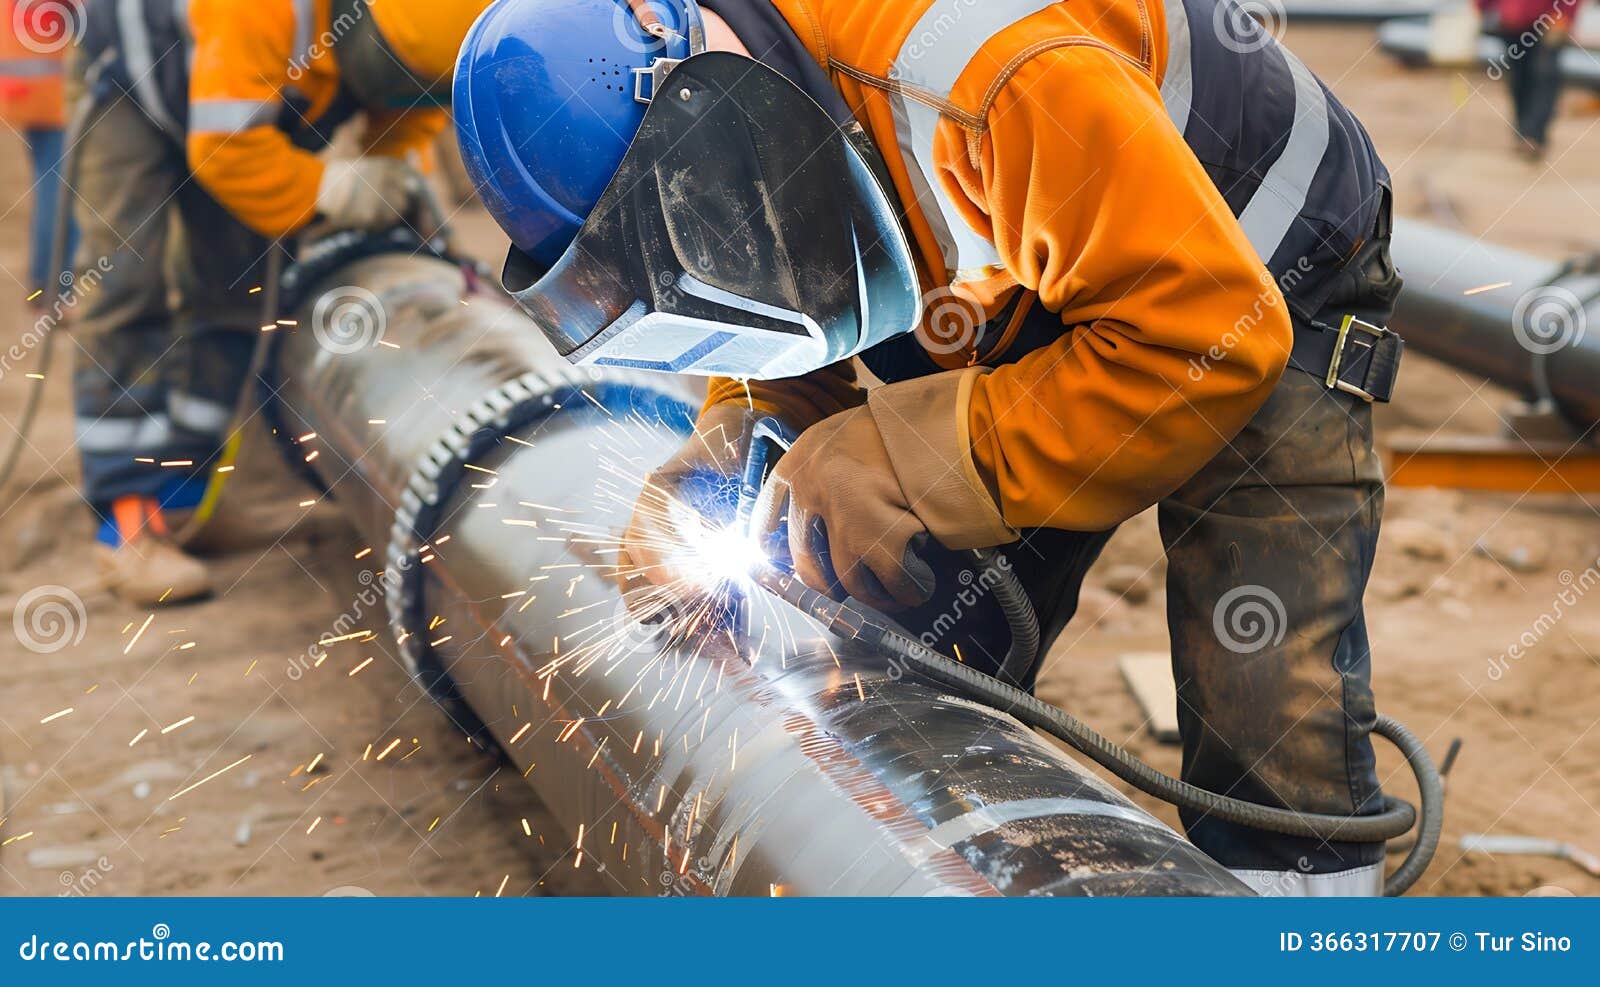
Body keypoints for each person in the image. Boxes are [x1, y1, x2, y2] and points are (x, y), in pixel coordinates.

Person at [456, 0, 1407, 895]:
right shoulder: (769, 100)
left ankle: (1301, 914)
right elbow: (790, 265)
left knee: (1265, 689)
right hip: (1039, 254)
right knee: (914, 616)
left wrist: (906, 453)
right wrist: (745, 422)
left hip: (1255, 264)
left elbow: (1208, 330)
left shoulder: (977, 68)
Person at [71, 0, 491, 606]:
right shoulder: (266, 11)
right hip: (133, 73)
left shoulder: (419, 29)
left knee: (238, 291)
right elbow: (225, 152)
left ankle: (188, 503)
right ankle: (127, 523)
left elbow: (410, 106)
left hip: (235, 83)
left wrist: (388, 169)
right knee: (127, 282)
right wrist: (329, 186)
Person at [1, 0, 79, 304]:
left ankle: (45, 285)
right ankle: (55, 288)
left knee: (51, 182)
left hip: (30, 87)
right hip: (52, 90)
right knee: (59, 188)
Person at [1478, 0, 1585, 160]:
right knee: (1518, 79)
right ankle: (1523, 133)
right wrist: (1486, 9)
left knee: (1544, 75)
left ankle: (1534, 136)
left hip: (1549, 22)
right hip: (1513, 23)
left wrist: (1565, 15)